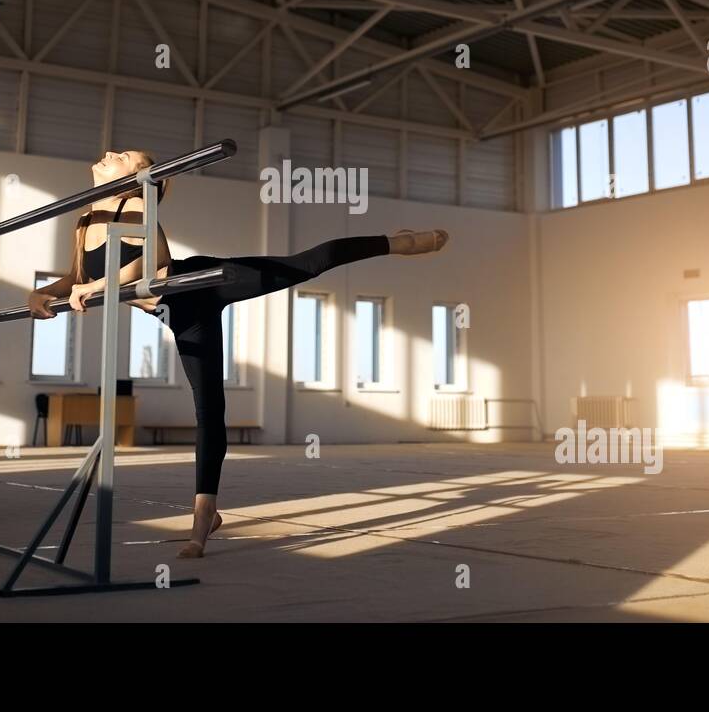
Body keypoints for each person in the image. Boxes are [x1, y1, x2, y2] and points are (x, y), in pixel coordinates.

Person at [28, 150, 449, 557]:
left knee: (304, 264)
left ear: (135, 180)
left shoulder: (137, 204)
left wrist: (93, 289)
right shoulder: (85, 218)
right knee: (209, 409)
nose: (108, 152)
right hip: (178, 316)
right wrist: (44, 293)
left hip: (201, 283)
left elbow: (149, 264)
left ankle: (395, 242)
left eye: (121, 156)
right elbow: (77, 276)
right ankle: (210, 514)